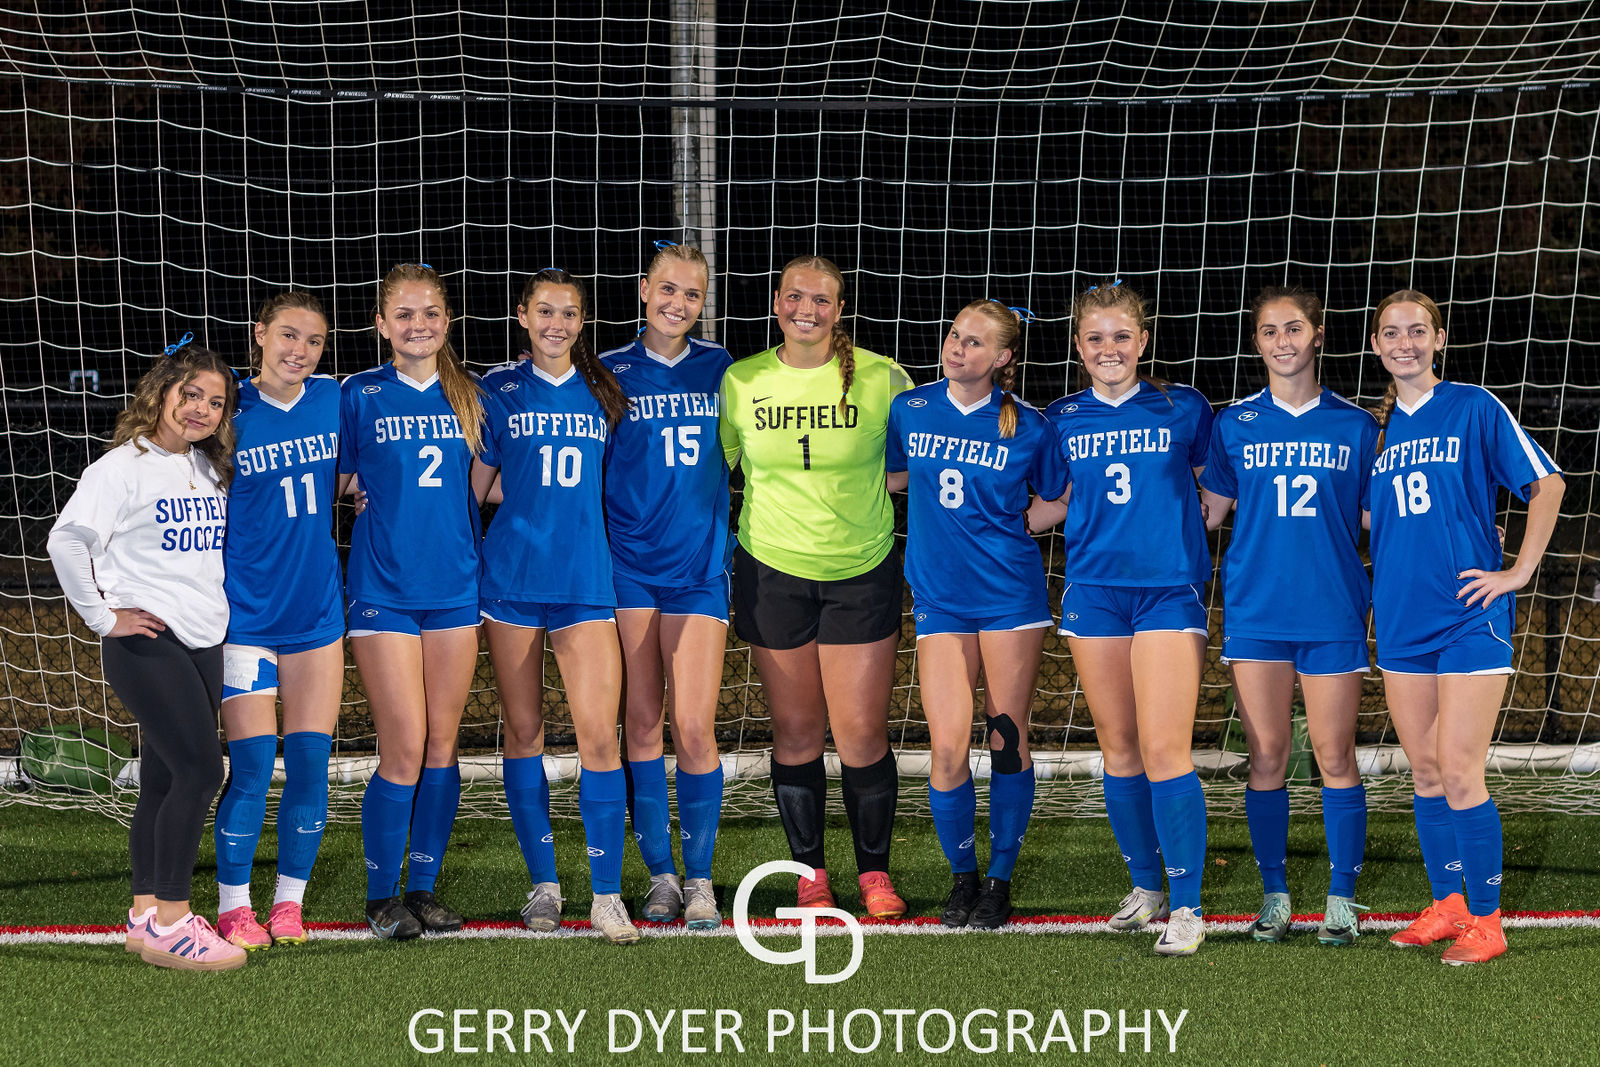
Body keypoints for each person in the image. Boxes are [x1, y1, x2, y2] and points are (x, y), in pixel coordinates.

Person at [1364, 289, 1563, 965]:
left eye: (1418, 330)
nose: (1405, 342)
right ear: (1375, 346)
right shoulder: (1378, 431)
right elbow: (1373, 520)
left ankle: (1488, 918)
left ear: (1440, 338)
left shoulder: (1474, 406)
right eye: (1392, 332)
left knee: (1458, 768)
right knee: (1423, 770)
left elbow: (1549, 483)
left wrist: (1518, 571)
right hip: (1399, 618)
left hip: (1469, 616)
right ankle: (1448, 906)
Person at [718, 255, 913, 917]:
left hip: (859, 570)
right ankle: (810, 876)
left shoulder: (885, 379)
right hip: (773, 571)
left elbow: (909, 470)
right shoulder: (741, 382)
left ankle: (875, 877)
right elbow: (712, 473)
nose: (808, 308)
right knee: (798, 732)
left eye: (822, 299)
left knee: (861, 733)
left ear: (839, 308)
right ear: (776, 302)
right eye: (795, 296)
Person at [1026, 279, 1213, 956]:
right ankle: (1146, 887)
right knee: (1120, 750)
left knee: (1166, 748)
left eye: (1122, 336)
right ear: (1078, 345)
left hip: (1166, 592)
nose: (1110, 348)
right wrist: (986, 531)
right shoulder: (1059, 417)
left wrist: (1189, 536)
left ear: (1143, 341)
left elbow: (1214, 491)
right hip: (1094, 591)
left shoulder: (1183, 407)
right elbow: (1057, 501)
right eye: (1096, 337)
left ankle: (1188, 906)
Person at [48, 339, 245, 970]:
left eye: (216, 402)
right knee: (200, 772)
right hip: (146, 643)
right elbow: (66, 541)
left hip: (202, 639)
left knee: (162, 779)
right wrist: (104, 618)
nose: (202, 411)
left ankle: (142, 914)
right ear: (161, 393)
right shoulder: (119, 468)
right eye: (191, 395)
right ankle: (173, 922)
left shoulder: (207, 468)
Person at [1198, 286, 1379, 946]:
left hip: (1332, 607)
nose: (1282, 339)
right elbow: (1209, 513)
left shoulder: (1356, 426)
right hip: (1257, 610)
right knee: (1267, 756)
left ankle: (1342, 895)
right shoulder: (1233, 424)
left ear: (1319, 334)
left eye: (1293, 327)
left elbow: (1376, 520)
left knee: (1335, 754)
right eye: (1269, 330)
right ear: (1256, 342)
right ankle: (1275, 894)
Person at [885, 300, 1066, 928]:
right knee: (945, 745)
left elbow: (1058, 496)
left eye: (976, 343)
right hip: (940, 599)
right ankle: (961, 878)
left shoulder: (1032, 426)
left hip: (1010, 597)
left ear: (1004, 358)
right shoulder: (909, 409)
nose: (959, 349)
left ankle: (998, 879)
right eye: (955, 336)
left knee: (1006, 737)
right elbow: (891, 480)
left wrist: (1017, 526)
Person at [473, 269, 639, 944]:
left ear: (582, 320)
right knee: (524, 733)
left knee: (601, 737)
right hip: (510, 580)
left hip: (585, 582)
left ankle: (606, 893)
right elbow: (479, 486)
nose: (556, 323)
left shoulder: (604, 390)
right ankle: (543, 883)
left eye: (569, 313)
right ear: (522, 315)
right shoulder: (497, 390)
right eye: (544, 311)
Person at [339, 262, 484, 940]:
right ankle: (379, 896)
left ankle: (422, 888)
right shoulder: (358, 393)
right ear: (380, 324)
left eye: (430, 313)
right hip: (384, 593)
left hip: (455, 590)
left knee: (443, 745)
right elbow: (332, 474)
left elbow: (488, 486)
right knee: (403, 744)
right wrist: (350, 490)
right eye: (404, 314)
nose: (418, 325)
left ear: (447, 321)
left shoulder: (473, 398)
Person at [600, 243, 733, 929]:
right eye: (667, 289)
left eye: (692, 295)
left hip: (700, 570)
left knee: (695, 725)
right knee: (643, 722)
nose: (677, 303)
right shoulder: (607, 372)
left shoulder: (724, 371)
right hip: (628, 570)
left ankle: (703, 877)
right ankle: (661, 876)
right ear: (643, 288)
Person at [208, 293, 342, 950]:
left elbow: (350, 471)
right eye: (288, 335)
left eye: (313, 341)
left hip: (318, 615)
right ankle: (234, 905)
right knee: (254, 768)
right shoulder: (226, 408)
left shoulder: (333, 400)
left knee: (312, 766)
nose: (300, 350)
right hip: (249, 620)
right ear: (258, 334)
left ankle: (289, 902)